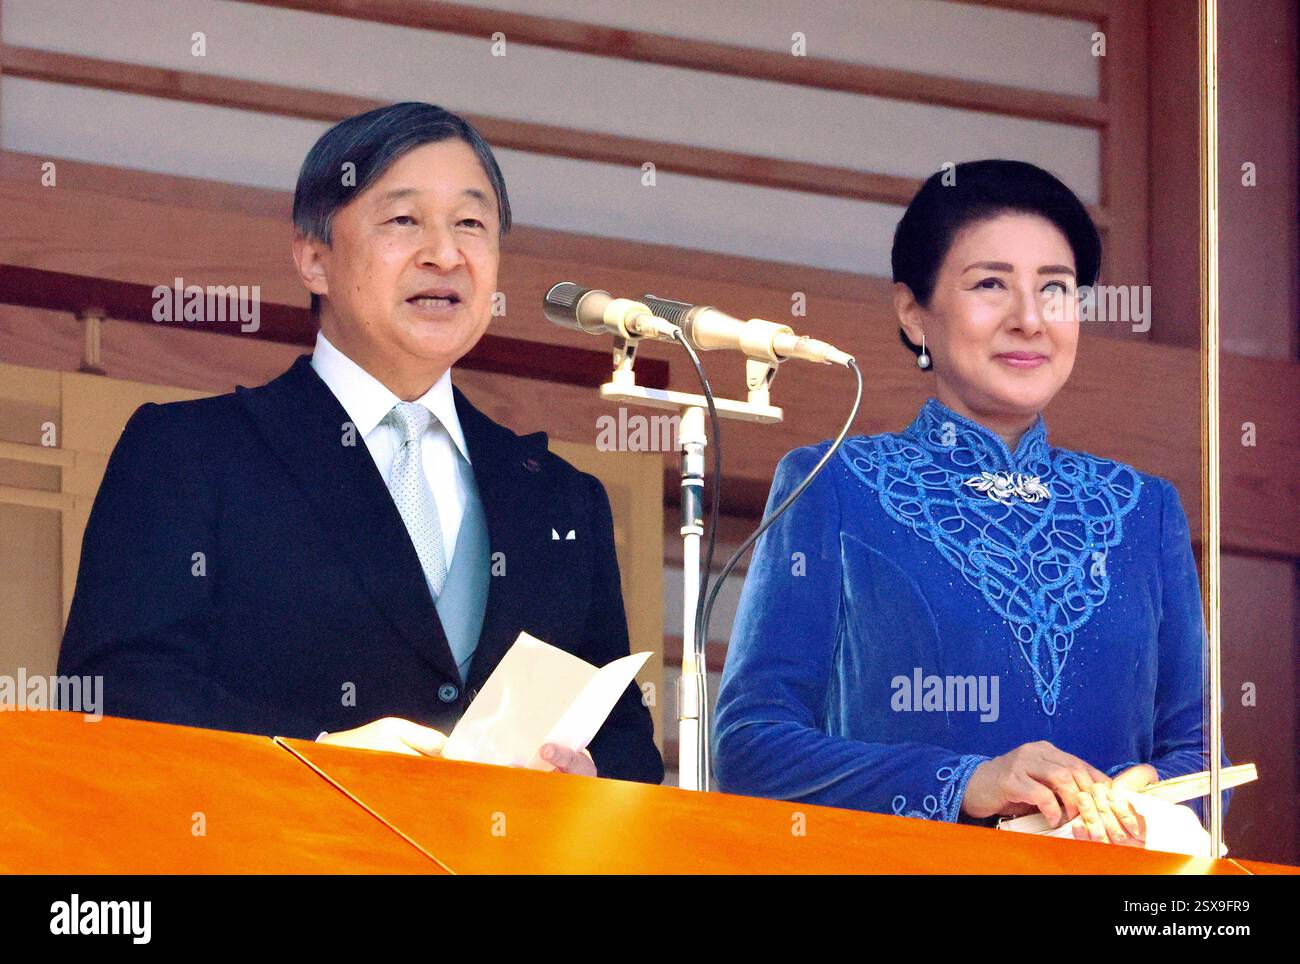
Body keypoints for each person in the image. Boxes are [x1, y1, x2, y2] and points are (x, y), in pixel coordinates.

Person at [58, 102, 663, 785]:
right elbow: (114, 695)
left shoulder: (561, 500)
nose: (445, 254)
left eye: (471, 223)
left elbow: (628, 750)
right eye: (404, 221)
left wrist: (586, 781)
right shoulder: (190, 454)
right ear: (314, 259)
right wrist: (316, 757)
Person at [713, 159, 1222, 843]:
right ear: (913, 314)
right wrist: (965, 783)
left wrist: (1147, 797)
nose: (1030, 320)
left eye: (1056, 289)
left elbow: (1199, 754)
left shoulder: (1143, 510)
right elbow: (750, 748)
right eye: (991, 285)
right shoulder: (833, 483)